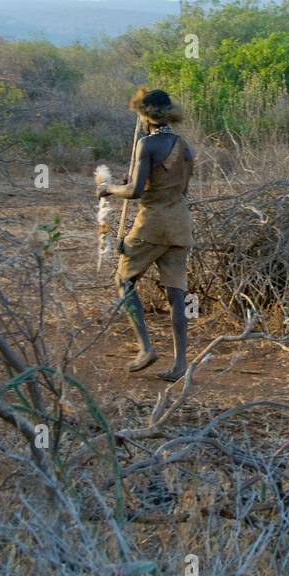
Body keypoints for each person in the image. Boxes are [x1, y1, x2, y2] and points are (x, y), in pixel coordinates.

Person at [98, 88, 194, 382]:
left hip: (152, 224)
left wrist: (111, 189)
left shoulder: (146, 145)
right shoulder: (184, 146)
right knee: (176, 294)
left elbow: (136, 192)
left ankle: (146, 348)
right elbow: (181, 188)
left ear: (145, 115)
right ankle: (179, 365)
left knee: (123, 280)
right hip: (180, 224)